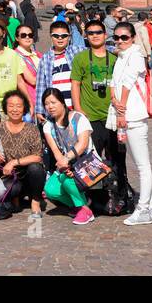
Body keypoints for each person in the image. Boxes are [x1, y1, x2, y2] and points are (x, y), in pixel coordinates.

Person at [111, 21, 152, 226]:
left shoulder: (137, 55)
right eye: (117, 37)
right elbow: (114, 83)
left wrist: (121, 108)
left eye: (124, 37)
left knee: (142, 165)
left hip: (133, 114)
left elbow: (127, 82)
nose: (120, 40)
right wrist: (115, 101)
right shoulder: (121, 56)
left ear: (132, 37)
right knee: (139, 163)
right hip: (123, 112)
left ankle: (143, 209)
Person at [71, 17, 124, 196]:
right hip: (90, 116)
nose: (94, 36)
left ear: (105, 34)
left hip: (112, 115)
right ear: (86, 36)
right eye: (90, 33)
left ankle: (118, 194)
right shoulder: (81, 58)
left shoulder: (115, 58)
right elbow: (75, 85)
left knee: (116, 158)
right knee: (90, 161)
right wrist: (78, 110)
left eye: (98, 32)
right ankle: (93, 198)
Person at [41, 86, 107, 225]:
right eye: (46, 104)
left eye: (53, 102)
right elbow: (56, 152)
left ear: (62, 102)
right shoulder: (48, 126)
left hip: (90, 164)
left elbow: (83, 144)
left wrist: (66, 160)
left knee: (66, 179)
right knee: (50, 189)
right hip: (68, 165)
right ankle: (80, 204)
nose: (50, 107)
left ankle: (85, 211)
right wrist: (64, 166)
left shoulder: (78, 118)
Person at [0, 91, 45, 216]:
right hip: (10, 176)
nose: (14, 109)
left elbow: (38, 156)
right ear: (5, 107)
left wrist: (14, 162)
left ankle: (35, 201)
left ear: (24, 108)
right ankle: (16, 198)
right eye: (11, 105)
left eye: (18, 106)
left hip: (29, 176)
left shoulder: (32, 128)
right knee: (5, 192)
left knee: (35, 168)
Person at [35, 20, 84, 120]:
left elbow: (96, 50)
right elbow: (41, 85)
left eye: (64, 36)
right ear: (51, 37)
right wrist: (39, 110)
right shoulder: (45, 58)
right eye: (56, 36)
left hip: (76, 107)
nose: (60, 38)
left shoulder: (77, 51)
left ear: (69, 36)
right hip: (56, 110)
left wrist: (115, 49)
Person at [12, 24, 39, 112]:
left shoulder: (38, 54)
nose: (27, 37)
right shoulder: (15, 55)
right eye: (23, 35)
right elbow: (32, 80)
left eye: (30, 35)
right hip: (30, 99)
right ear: (17, 38)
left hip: (42, 98)